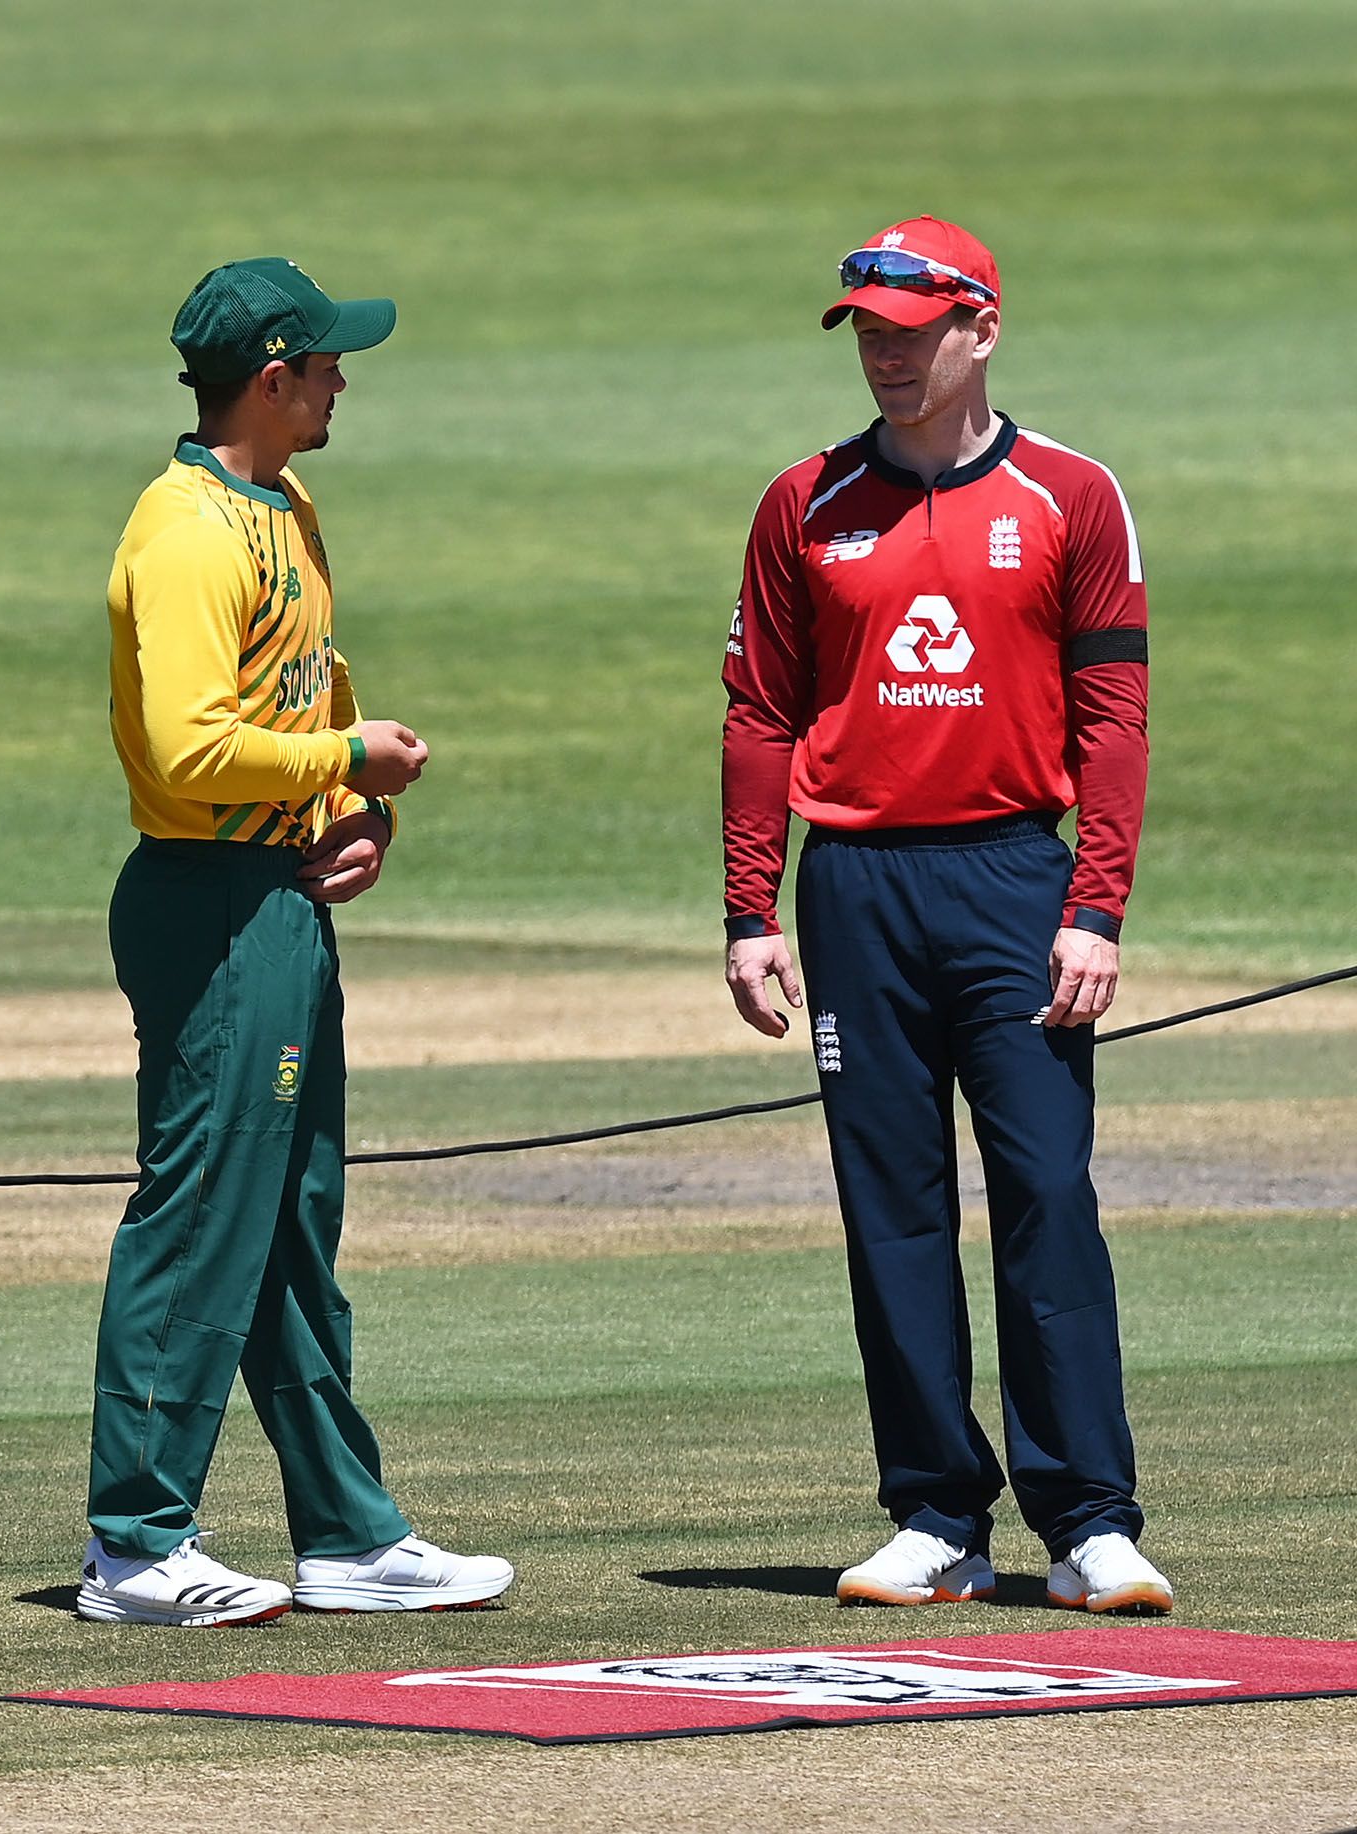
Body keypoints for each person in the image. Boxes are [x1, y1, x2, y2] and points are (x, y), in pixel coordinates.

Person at [721, 216, 1173, 1615]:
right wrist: (749, 907)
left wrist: (1097, 904)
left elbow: (1113, 718)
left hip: (1013, 882)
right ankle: (934, 1516)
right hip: (856, 889)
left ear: (982, 329)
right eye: (867, 333)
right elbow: (760, 712)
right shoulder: (803, 502)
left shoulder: (1072, 496)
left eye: (912, 334)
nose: (886, 357)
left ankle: (1089, 1522)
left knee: (1047, 1193)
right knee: (893, 1210)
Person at [79, 258, 514, 1625]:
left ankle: (346, 1533)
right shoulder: (185, 533)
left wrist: (352, 813)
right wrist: (342, 759)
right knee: (205, 1209)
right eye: (326, 365)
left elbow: (310, 689)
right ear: (272, 379)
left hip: (276, 892)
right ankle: (134, 1543)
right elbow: (188, 744)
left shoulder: (287, 505)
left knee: (291, 1222)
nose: (341, 384)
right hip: (208, 900)